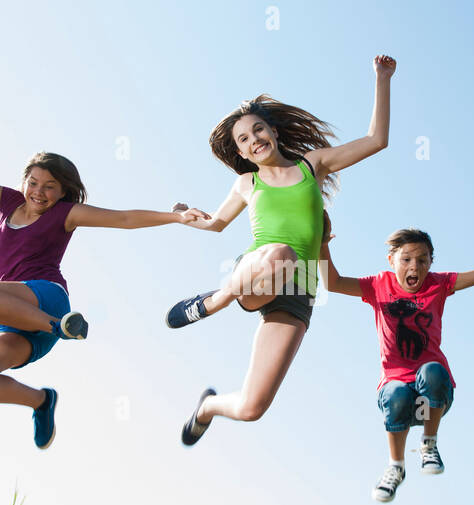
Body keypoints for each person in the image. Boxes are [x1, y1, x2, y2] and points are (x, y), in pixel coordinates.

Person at [0, 110, 209, 449]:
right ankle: (41, 401)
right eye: (33, 183)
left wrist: (176, 217)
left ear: (63, 192)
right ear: (23, 182)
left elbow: (122, 218)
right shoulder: (8, 202)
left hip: (46, 299)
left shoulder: (65, 214)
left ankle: (59, 327)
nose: (39, 192)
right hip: (15, 321)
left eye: (50, 187)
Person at [167, 55, 397, 445]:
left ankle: (207, 408)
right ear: (240, 152)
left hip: (298, 289)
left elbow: (377, 140)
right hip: (257, 273)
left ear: (272, 131)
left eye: (258, 130)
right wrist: (183, 215)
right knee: (281, 255)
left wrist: (382, 79)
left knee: (253, 407)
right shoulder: (246, 184)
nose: (254, 140)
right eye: (244, 139)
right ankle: (212, 302)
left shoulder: (312, 165)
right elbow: (216, 223)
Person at [319, 221, 474, 501]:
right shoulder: (378, 286)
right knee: (396, 392)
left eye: (423, 260)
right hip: (397, 391)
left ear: (431, 263)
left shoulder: (439, 284)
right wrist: (323, 244)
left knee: (433, 371)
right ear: (391, 260)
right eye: (406, 259)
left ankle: (429, 443)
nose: (414, 267)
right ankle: (396, 467)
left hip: (432, 396)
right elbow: (334, 283)